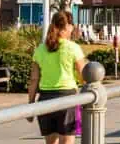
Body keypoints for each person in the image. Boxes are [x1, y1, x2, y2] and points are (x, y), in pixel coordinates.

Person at [28, 11, 87, 144]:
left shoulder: (40, 50)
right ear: (68, 27)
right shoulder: (73, 48)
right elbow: (84, 76)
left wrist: (31, 105)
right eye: (72, 25)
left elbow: (34, 80)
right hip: (68, 100)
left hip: (45, 100)